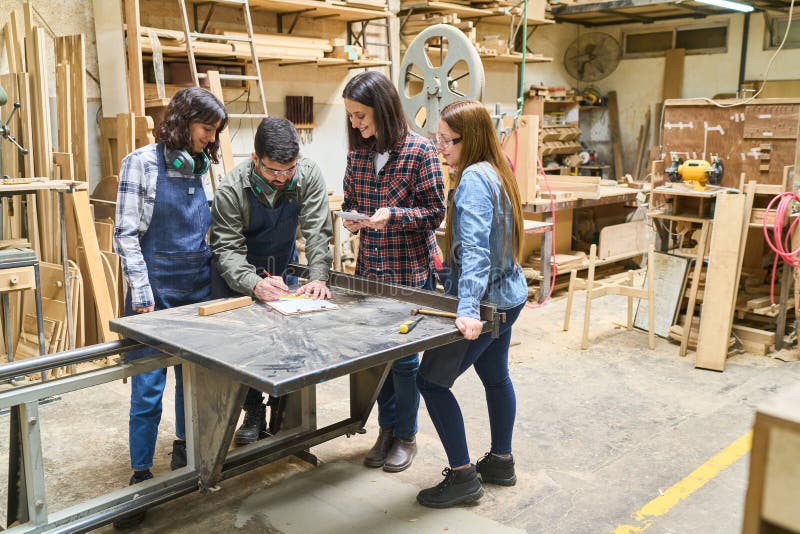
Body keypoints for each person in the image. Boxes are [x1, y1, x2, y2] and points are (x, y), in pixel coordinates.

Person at [113, 87, 227, 527]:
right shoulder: (140, 163)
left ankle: (185, 450)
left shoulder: (200, 167)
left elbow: (207, 231)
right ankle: (141, 476)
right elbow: (125, 235)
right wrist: (141, 293)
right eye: (205, 129)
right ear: (183, 122)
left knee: (190, 380)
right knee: (147, 390)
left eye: (215, 132)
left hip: (196, 286)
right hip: (155, 293)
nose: (209, 140)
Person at [415, 99, 528, 508]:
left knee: (430, 381)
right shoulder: (498, 168)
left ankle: (463, 476)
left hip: (486, 303)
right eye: (438, 138)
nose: (441, 147)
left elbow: (478, 251)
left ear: (473, 138)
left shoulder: (475, 180)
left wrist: (467, 309)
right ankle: (501, 461)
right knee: (495, 376)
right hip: (508, 294)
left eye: (448, 141)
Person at [341, 71, 445, 472]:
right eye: (351, 116)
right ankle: (386, 429)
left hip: (408, 273)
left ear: (383, 111)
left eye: (361, 116)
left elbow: (436, 213)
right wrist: (353, 220)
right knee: (378, 357)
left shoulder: (420, 152)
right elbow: (352, 197)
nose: (356, 124)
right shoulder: (358, 154)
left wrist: (395, 216)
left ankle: (406, 435)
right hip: (370, 271)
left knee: (404, 362)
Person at [211, 117, 333, 444]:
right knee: (247, 345)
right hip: (240, 273)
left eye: (287, 170)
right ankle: (253, 411)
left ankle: (283, 407)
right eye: (272, 171)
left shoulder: (306, 175)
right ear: (255, 159)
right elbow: (225, 249)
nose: (281, 179)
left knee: (288, 339)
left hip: (282, 265)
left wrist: (319, 276)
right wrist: (253, 283)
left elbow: (318, 232)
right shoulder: (231, 190)